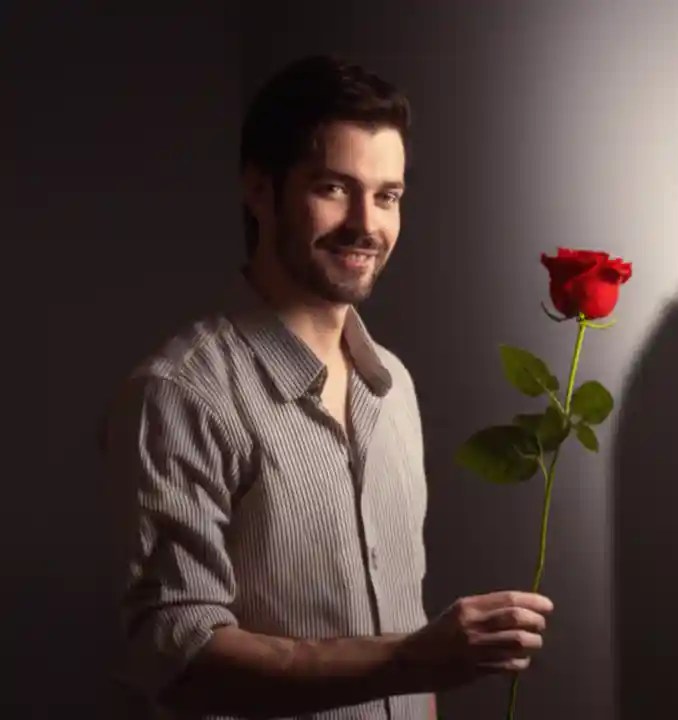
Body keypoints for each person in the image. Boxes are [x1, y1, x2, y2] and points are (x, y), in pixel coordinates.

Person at [98, 55, 552, 720]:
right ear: (259, 188)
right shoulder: (180, 394)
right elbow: (177, 658)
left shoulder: (394, 386)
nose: (367, 224)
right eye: (334, 188)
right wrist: (415, 658)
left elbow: (404, 623)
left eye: (388, 195)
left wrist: (419, 668)